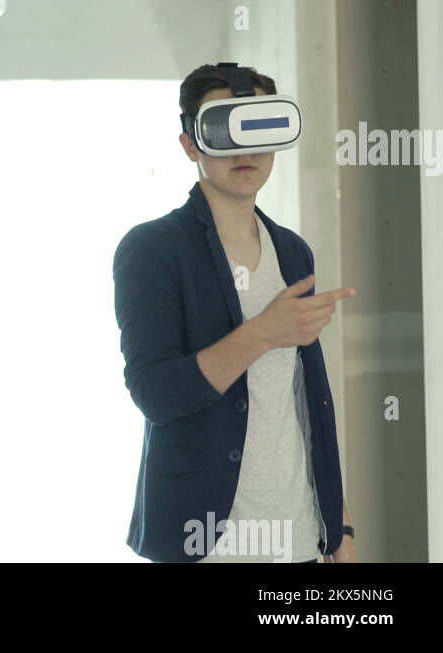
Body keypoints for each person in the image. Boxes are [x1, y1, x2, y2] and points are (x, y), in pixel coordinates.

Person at [112, 63, 360, 563]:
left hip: (302, 538)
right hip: (209, 546)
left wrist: (342, 530)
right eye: (225, 131)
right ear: (190, 145)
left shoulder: (293, 251)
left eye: (258, 127)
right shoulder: (153, 248)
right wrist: (263, 333)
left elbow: (306, 403)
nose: (245, 150)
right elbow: (156, 394)